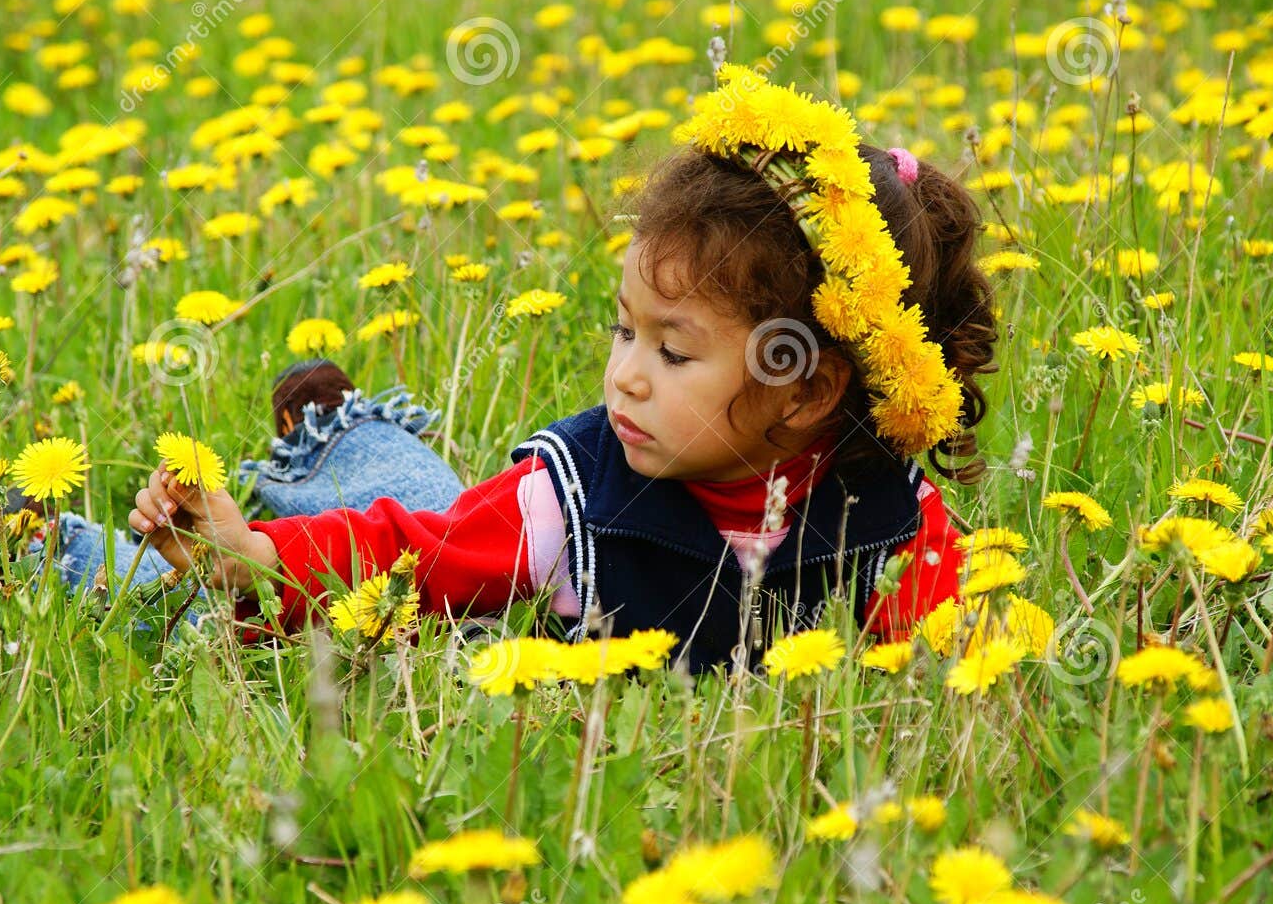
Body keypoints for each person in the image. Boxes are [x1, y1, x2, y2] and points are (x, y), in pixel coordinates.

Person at [117, 67, 1000, 673]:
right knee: (422, 521)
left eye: (673, 351)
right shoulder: (571, 500)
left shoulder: (887, 521)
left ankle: (345, 427)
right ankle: (75, 537)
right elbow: (413, 558)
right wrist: (254, 556)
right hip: (462, 537)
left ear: (806, 387)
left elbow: (970, 657)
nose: (627, 377)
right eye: (625, 331)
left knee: (432, 492)